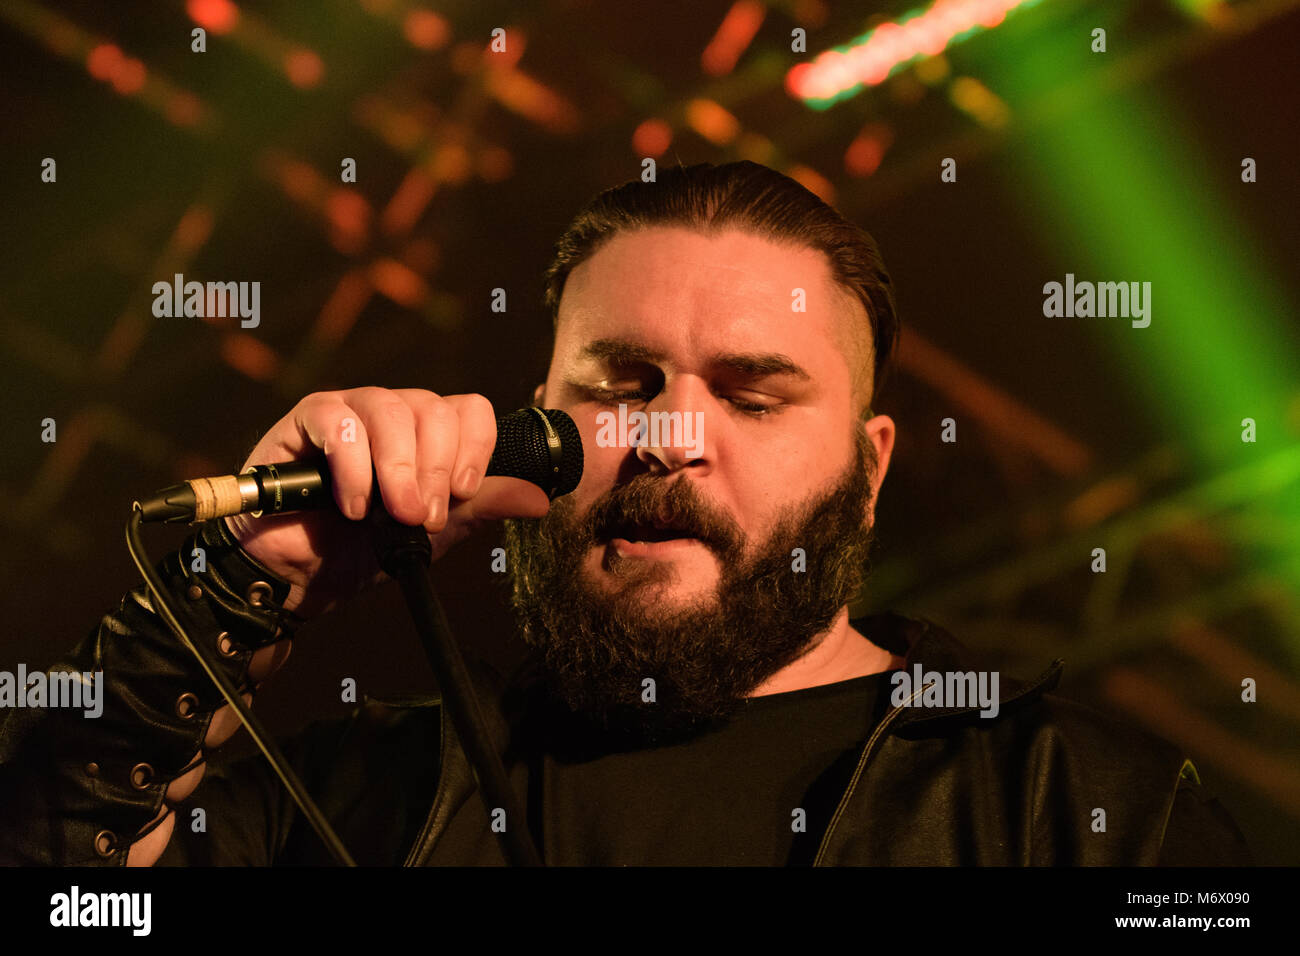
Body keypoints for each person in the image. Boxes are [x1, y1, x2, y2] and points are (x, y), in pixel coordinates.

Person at [0, 161, 1250, 866]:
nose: (668, 436)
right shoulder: (360, 786)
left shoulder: (1080, 801)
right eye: (620, 384)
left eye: (753, 396)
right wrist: (243, 581)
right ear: (534, 415)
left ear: (868, 472)